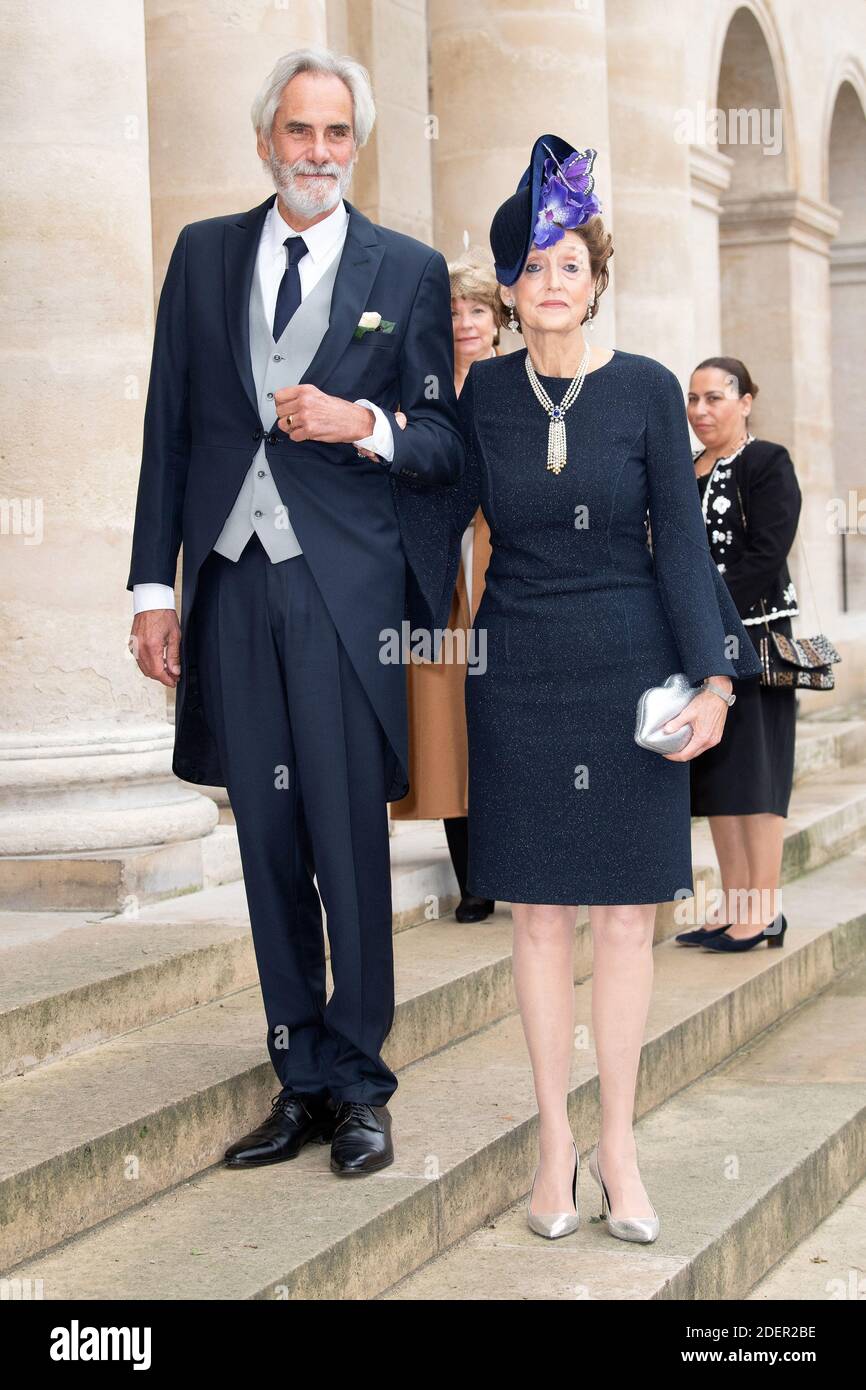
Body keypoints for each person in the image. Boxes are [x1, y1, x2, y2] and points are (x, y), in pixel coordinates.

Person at [126, 47, 463, 1178]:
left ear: (353, 146)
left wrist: (356, 422)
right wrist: (153, 587)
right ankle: (298, 1078)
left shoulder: (406, 269)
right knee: (265, 841)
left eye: (336, 135)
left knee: (344, 839)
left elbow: (440, 443)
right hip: (230, 584)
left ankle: (362, 1084)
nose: (317, 153)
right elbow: (168, 428)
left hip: (341, 593)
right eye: (299, 131)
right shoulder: (204, 255)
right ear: (266, 138)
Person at [434, 134, 764, 1241]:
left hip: (630, 667)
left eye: (568, 263)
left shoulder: (643, 392)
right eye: (531, 266)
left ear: (594, 277)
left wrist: (714, 679)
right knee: (535, 917)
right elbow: (431, 517)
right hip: (519, 670)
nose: (551, 283)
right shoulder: (479, 395)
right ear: (511, 288)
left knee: (626, 919)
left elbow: (680, 549)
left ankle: (617, 1145)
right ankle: (552, 1141)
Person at [677, 358, 801, 953]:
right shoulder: (682, 469)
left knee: (759, 782)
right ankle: (733, 907)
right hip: (699, 650)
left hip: (756, 646)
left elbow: (768, 551)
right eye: (693, 400)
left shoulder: (767, 462)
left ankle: (764, 912)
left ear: (746, 400)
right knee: (721, 784)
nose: (701, 411)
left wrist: (708, 608)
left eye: (715, 398)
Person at [388, 248, 497, 924]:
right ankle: (476, 878)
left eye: (477, 309)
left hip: (503, 556)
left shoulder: (522, 380)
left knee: (509, 717)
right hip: (438, 568)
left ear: (498, 318)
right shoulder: (419, 389)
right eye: (451, 310)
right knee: (449, 723)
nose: (463, 322)